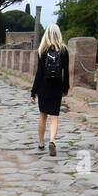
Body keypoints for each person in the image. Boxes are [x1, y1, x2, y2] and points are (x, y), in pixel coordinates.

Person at [29, 23, 69, 156]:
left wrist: (33, 92)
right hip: (57, 87)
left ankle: (41, 143)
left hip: (43, 87)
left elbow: (39, 73)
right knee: (54, 117)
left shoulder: (42, 51)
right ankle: (52, 140)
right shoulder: (63, 50)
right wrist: (65, 88)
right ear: (58, 34)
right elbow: (66, 72)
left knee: (43, 115)